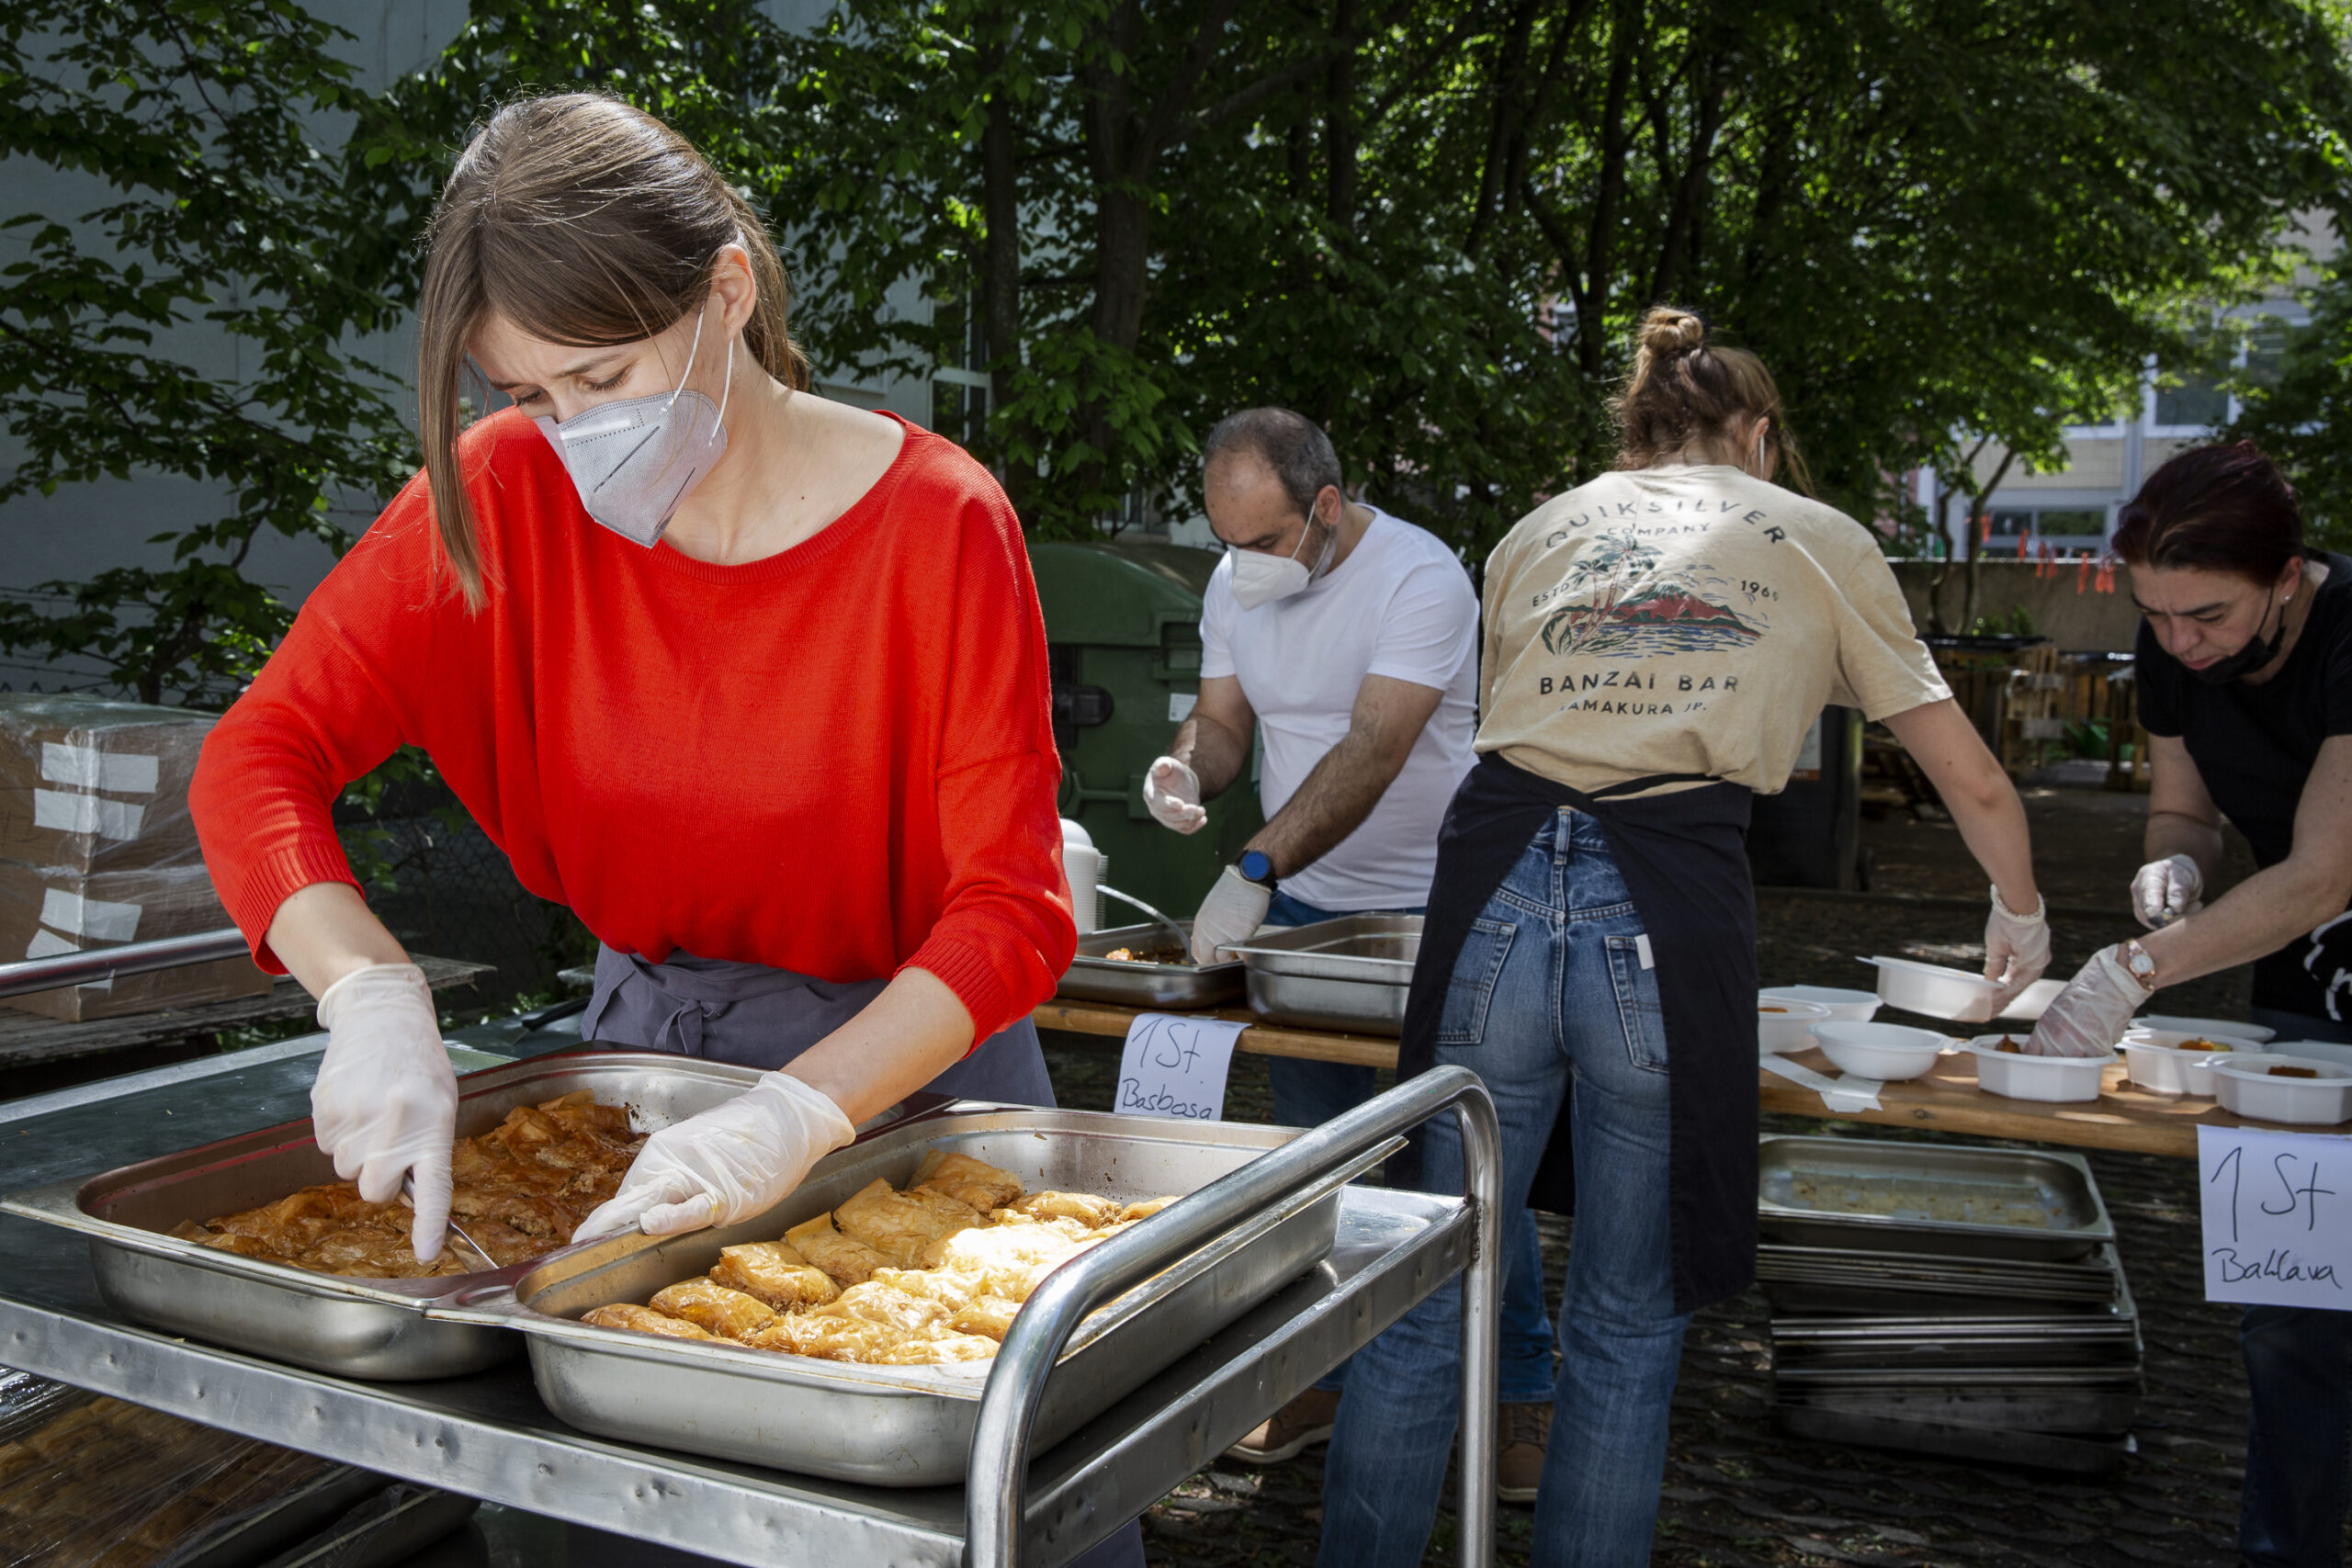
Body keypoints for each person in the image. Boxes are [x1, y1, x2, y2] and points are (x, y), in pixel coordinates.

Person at [187, 95, 1140, 1568]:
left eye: (606, 377)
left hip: (912, 1092)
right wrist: (364, 988)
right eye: (532, 392)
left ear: (728, 290)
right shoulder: (500, 492)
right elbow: (260, 755)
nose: (574, 432)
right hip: (643, 1079)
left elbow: (1009, 910)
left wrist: (799, 1114)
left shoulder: (939, 524)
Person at [1316, 307, 2050, 1568]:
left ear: (1639, 428)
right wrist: (2021, 912)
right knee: (1628, 1313)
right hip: (1665, 896)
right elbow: (1971, 779)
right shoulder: (1822, 538)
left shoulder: (1535, 530)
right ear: (1756, 437)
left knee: (1422, 1293)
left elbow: (1520, 727)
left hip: (1490, 881)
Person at [1140, 409, 1558, 1495]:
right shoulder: (1237, 582)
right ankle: (1323, 1375)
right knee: (1315, 1159)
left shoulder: (1420, 577)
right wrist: (1188, 767)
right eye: (1226, 542)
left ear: (1326, 508)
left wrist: (1253, 870)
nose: (1244, 566)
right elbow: (1226, 722)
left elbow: (1373, 748)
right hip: (1304, 912)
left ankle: (1519, 1391)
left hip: (1446, 908)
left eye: (1267, 541)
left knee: (1467, 1169)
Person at [2028, 442, 2352, 1568]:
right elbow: (2184, 812)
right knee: (2288, 1310)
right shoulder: (2173, 645)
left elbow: (2322, 873)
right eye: (2154, 616)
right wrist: (2171, 874)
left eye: (2205, 615)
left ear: (2287, 574)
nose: (2179, 644)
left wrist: (2141, 967)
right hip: (2296, 991)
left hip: (2309, 920)